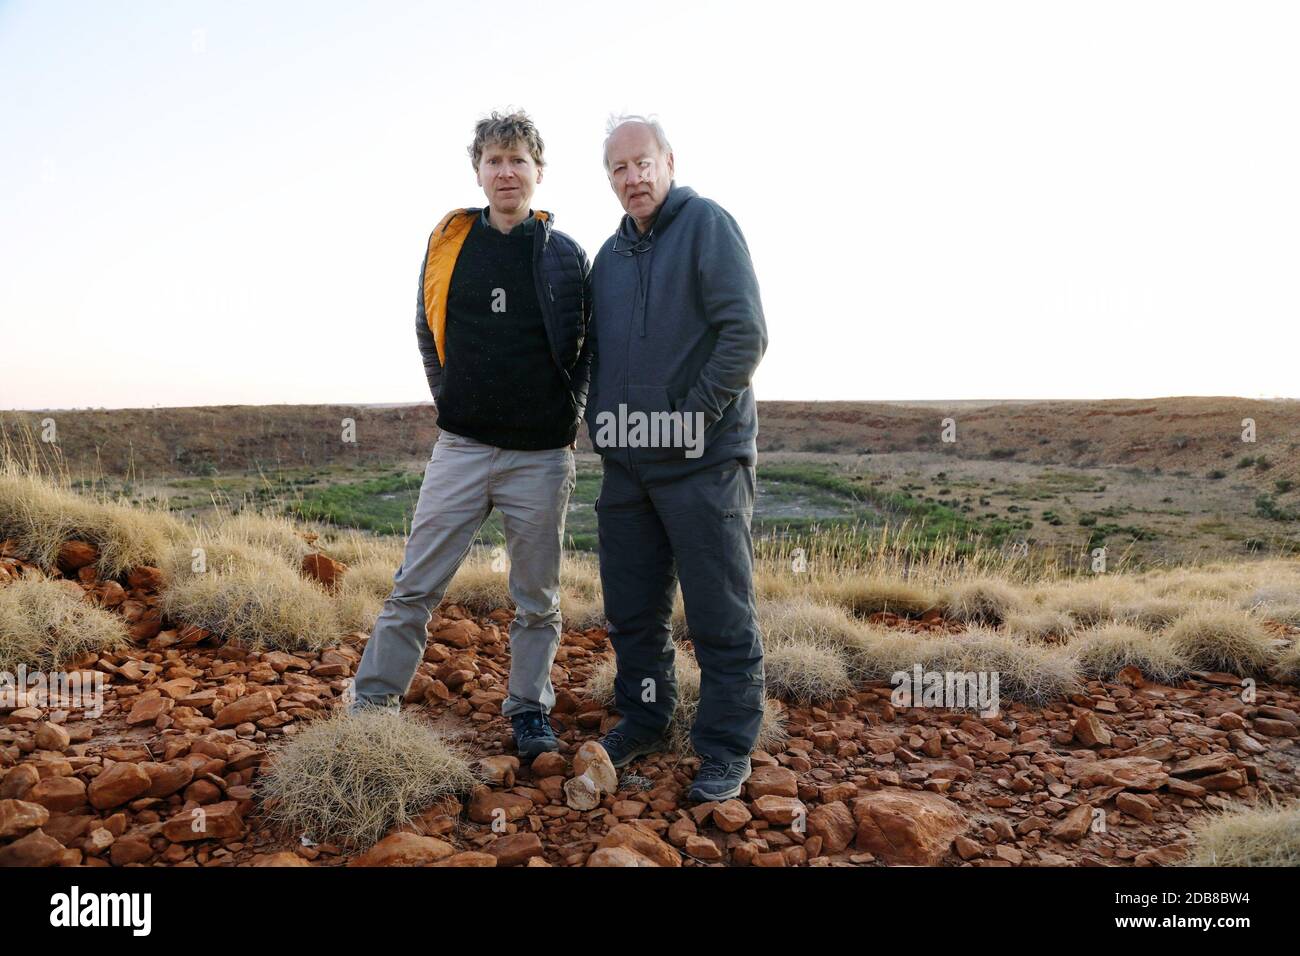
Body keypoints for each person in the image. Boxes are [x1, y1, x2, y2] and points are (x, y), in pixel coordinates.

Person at [350, 110, 592, 761]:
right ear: (478, 171)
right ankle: (371, 703)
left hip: (540, 458)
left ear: (538, 171)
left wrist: (569, 413)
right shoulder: (449, 244)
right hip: (461, 448)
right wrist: (454, 401)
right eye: (495, 160)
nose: (506, 171)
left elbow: (587, 346)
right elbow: (428, 334)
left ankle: (529, 710)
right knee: (414, 586)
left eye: (518, 160)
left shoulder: (564, 255)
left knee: (536, 598)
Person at [585, 114, 769, 801]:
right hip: (627, 468)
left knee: (720, 613)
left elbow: (744, 334)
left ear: (668, 161)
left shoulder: (707, 225)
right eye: (618, 169)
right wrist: (601, 422)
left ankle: (725, 748)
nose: (632, 178)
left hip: (704, 463)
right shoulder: (608, 258)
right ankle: (646, 718)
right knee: (633, 612)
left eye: (642, 163)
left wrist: (689, 420)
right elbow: (596, 355)